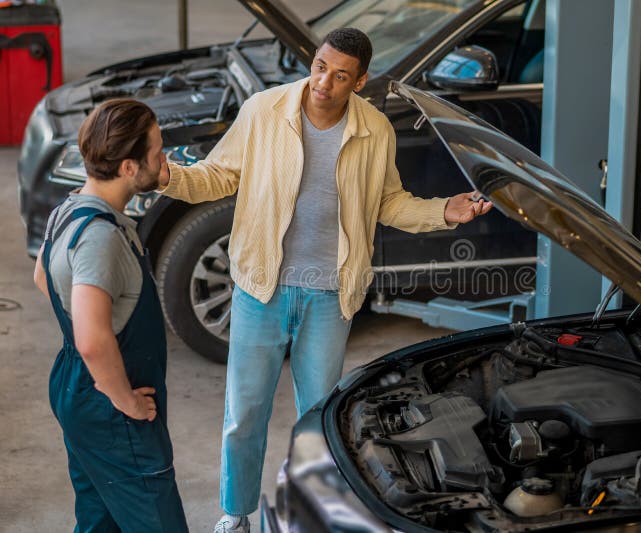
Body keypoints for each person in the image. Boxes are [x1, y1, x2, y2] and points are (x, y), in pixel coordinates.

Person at [157, 27, 491, 533]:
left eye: (339, 76)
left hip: (330, 295)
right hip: (260, 287)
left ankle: (307, 512)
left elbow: (388, 203)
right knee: (244, 414)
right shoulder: (264, 110)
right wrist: (170, 178)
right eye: (319, 67)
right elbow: (219, 175)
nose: (323, 82)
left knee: (321, 419)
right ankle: (236, 512)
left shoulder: (375, 129)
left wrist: (443, 211)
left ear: (359, 82)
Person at [33, 99, 189, 532]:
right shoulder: (101, 239)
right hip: (111, 408)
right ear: (127, 167)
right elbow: (91, 339)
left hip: (75, 388)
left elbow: (42, 276)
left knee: (100, 517)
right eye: (157, 152)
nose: (165, 159)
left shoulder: (70, 208)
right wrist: (128, 403)